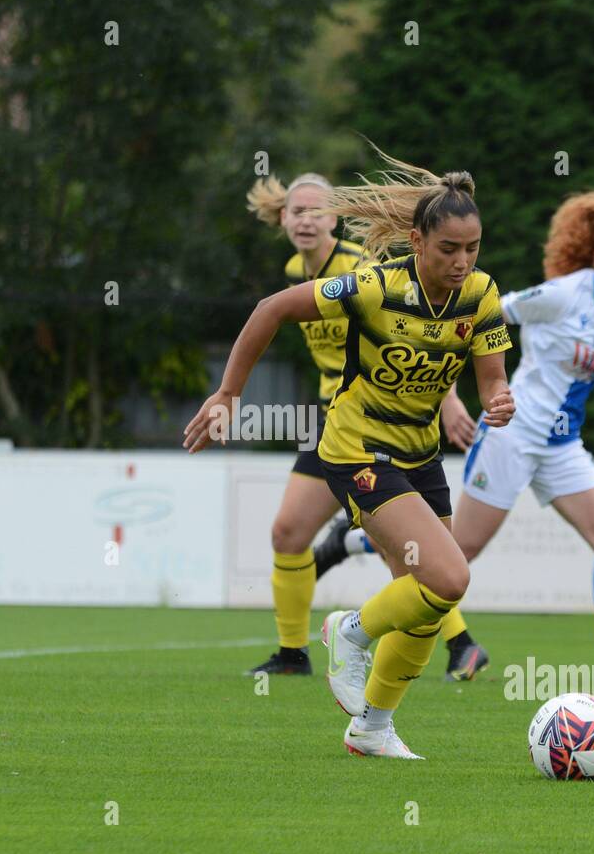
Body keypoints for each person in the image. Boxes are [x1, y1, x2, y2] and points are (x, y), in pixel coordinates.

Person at [187, 150, 514, 757]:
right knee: (449, 576)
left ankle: (372, 727)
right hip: (357, 447)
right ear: (416, 241)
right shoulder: (372, 284)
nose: (462, 261)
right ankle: (347, 631)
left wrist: (498, 400)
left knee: (426, 601)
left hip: (421, 455)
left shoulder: (482, 296)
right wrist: (228, 393)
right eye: (449, 249)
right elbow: (271, 310)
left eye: (472, 248)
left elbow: (491, 378)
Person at [449, 191, 594, 680]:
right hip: (511, 435)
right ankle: (362, 543)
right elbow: (477, 318)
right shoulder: (562, 294)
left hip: (562, 447)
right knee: (457, 554)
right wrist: (450, 396)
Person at [242, 173, 372, 677]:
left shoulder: (360, 266)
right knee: (289, 532)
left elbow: (409, 325)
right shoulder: (296, 269)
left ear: (336, 219)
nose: (306, 219)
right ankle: (293, 654)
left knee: (395, 539)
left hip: (371, 418)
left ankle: (461, 641)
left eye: (317, 211)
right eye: (297, 211)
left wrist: (446, 400)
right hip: (327, 418)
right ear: (283, 219)